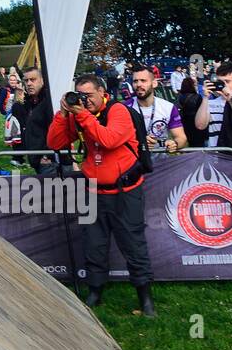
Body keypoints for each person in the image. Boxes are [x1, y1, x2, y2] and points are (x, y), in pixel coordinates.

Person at [47, 74, 155, 316]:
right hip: (92, 192)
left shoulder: (119, 111)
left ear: (102, 92)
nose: (85, 101)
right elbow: (55, 142)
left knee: (133, 244)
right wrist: (63, 114)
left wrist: (82, 115)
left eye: (89, 96)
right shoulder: (79, 115)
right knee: (93, 244)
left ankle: (145, 298)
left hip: (124, 192)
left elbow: (109, 139)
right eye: (80, 96)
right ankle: (95, 292)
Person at [125, 63, 187, 153]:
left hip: (161, 163)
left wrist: (175, 144)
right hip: (134, 163)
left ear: (154, 83)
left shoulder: (168, 107)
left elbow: (181, 138)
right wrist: (139, 141)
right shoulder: (124, 108)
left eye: (143, 81)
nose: (138, 84)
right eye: (135, 81)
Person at [12, 66, 57, 174]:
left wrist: (47, 154)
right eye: (26, 80)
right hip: (36, 158)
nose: (29, 83)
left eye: (33, 80)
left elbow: (55, 130)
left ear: (42, 80)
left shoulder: (49, 102)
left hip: (50, 161)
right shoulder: (30, 102)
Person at [175, 77, 210, 150]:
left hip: (184, 123)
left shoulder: (179, 96)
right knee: (199, 145)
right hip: (196, 123)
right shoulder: (197, 97)